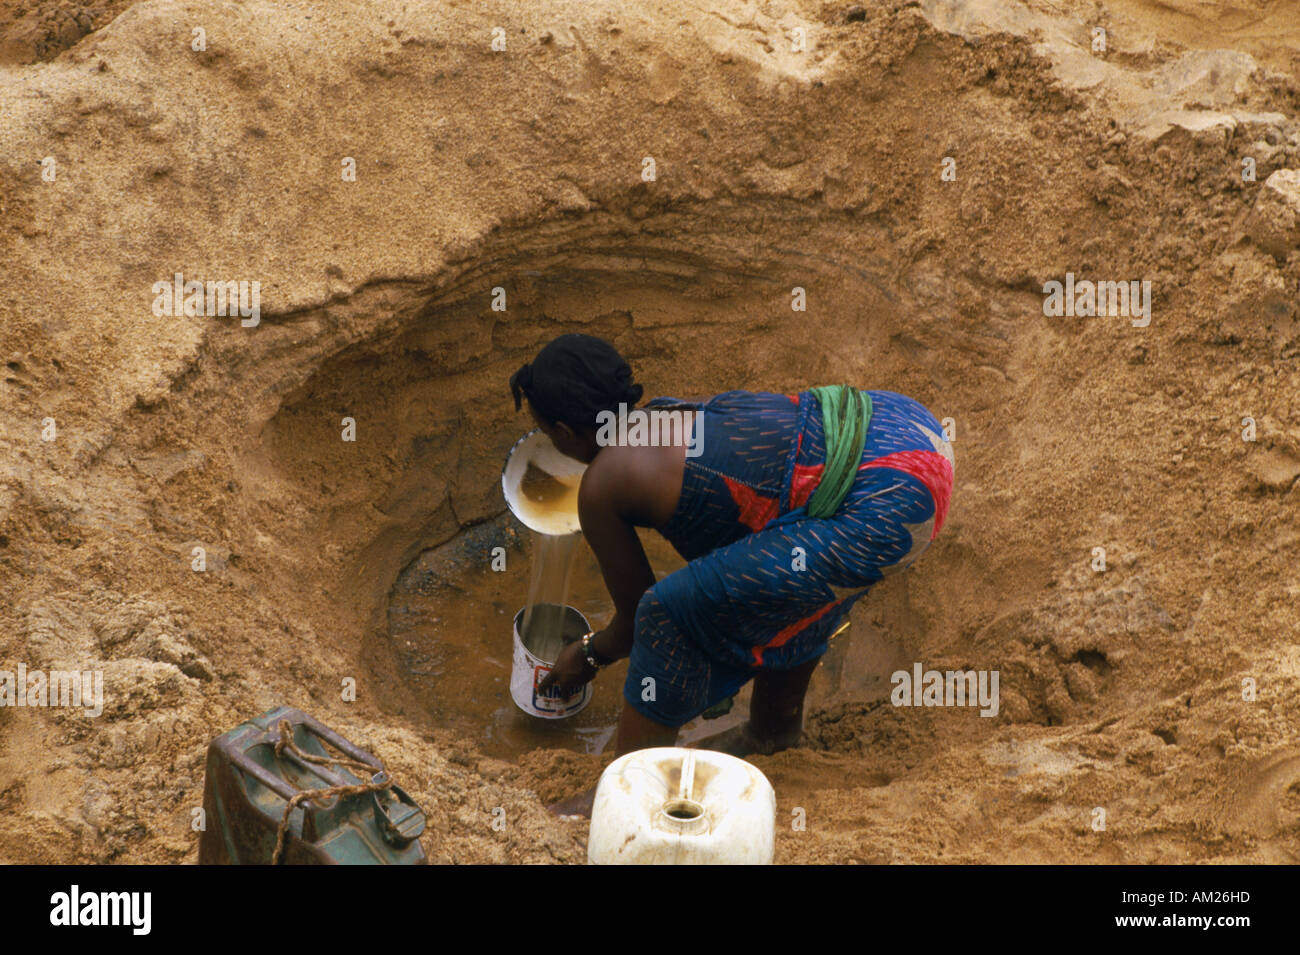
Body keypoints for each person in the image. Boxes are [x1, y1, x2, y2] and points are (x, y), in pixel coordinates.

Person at [509, 333, 954, 815]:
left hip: (885, 502)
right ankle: (771, 733)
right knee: (779, 566)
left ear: (564, 431)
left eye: (550, 436)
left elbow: (640, 615)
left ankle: (621, 797)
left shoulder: (602, 484)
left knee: (670, 612)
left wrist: (589, 655)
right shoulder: (667, 416)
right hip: (902, 430)